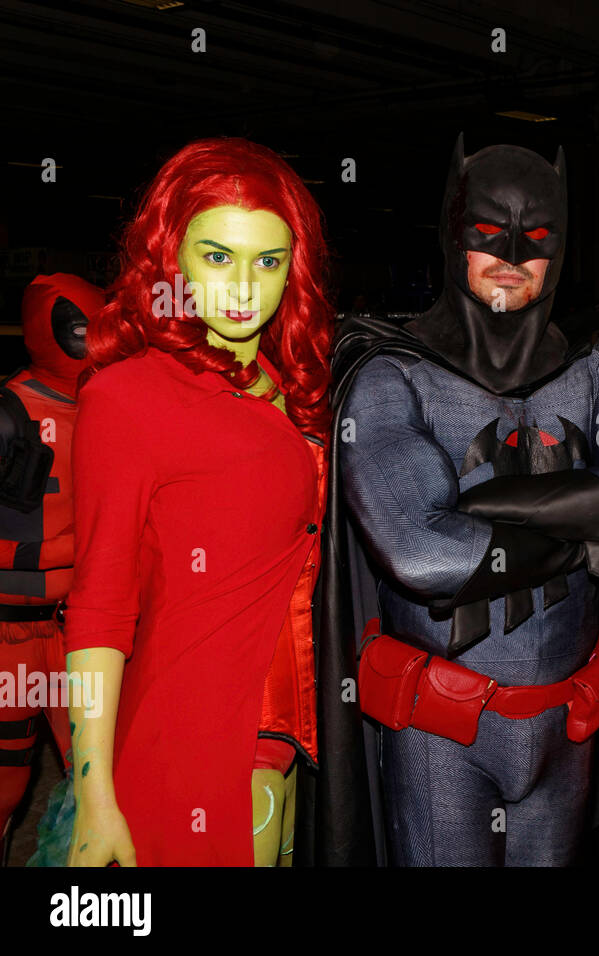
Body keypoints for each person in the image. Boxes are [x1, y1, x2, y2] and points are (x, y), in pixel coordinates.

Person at [324, 136, 599, 866]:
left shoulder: (597, 366)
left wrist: (479, 507)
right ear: (453, 235)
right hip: (441, 735)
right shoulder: (392, 374)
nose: (511, 251)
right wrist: (581, 523)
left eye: (536, 237)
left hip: (566, 726)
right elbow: (419, 552)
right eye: (487, 231)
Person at [63, 138, 333, 866]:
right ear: (169, 258)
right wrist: (92, 795)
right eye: (218, 257)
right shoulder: (129, 397)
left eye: (268, 261)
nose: (244, 287)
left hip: (290, 742)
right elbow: (98, 607)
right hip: (189, 745)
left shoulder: (294, 388)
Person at [0, 275, 101, 852]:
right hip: (13, 635)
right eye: (80, 328)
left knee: (92, 776)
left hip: (80, 631)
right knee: (8, 782)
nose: (90, 340)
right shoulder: (10, 412)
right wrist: (65, 555)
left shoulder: (113, 404)